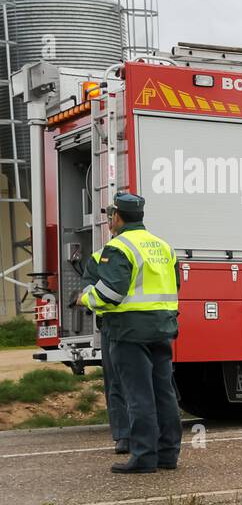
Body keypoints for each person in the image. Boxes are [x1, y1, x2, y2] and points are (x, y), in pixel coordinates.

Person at [79, 192, 182, 473]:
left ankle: (144, 457)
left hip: (129, 331)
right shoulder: (163, 247)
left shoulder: (119, 247)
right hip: (162, 328)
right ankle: (168, 454)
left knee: (138, 395)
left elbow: (110, 293)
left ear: (116, 217)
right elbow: (175, 287)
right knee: (164, 392)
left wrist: (85, 297)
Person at [82, 246, 130, 453]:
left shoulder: (101, 256)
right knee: (155, 384)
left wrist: (82, 300)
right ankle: (159, 439)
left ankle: (124, 437)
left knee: (117, 383)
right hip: (151, 326)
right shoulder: (158, 249)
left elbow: (89, 291)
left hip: (115, 326)